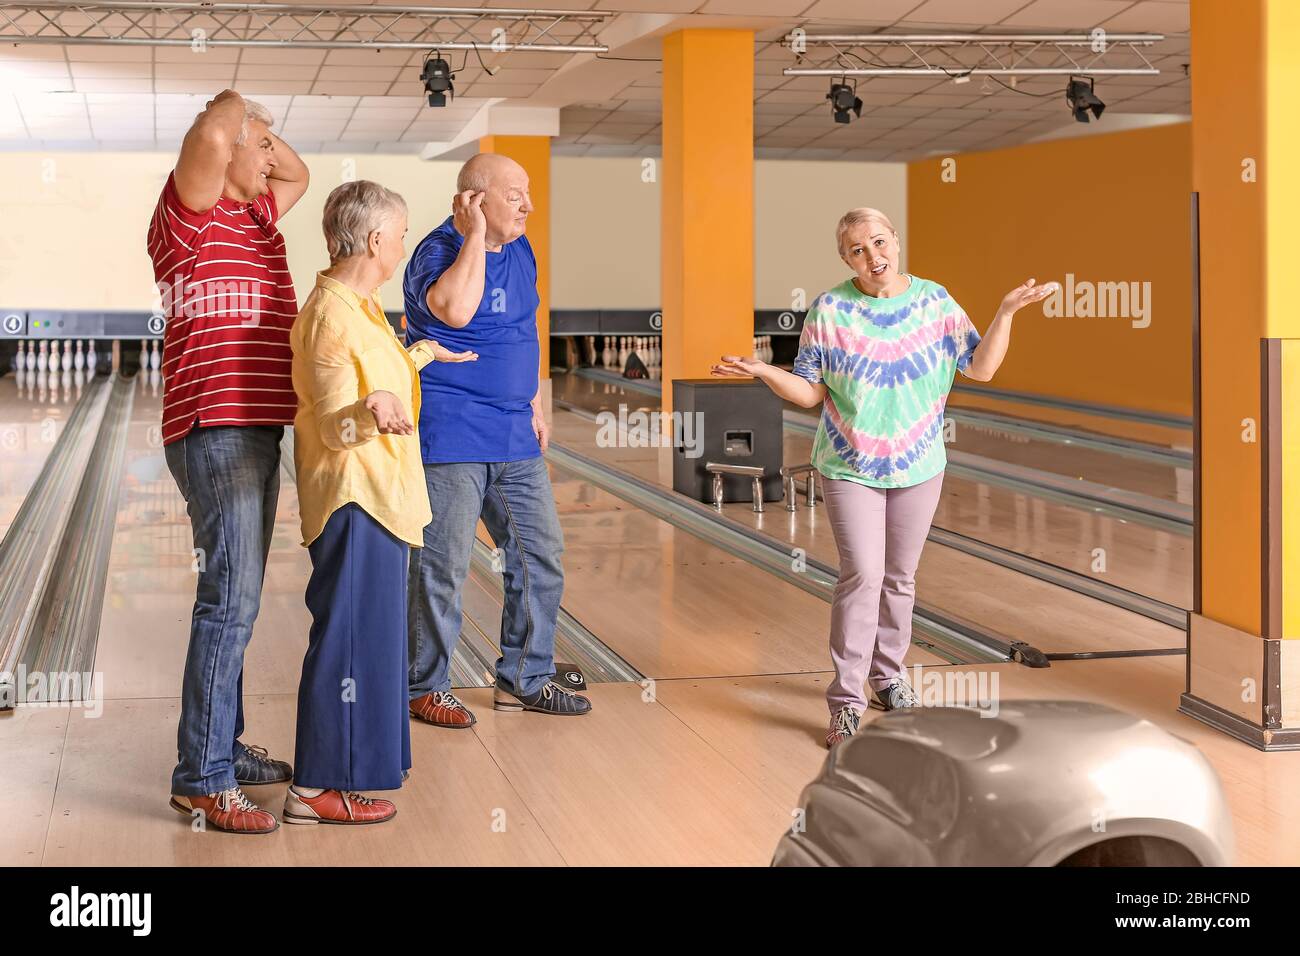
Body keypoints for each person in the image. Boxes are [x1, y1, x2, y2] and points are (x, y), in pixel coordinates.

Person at [712, 207, 1054, 748]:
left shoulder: (936, 301)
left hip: (920, 465)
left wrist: (1007, 312)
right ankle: (847, 701)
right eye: (857, 250)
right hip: (850, 465)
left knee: (900, 578)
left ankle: (887, 678)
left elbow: (981, 367)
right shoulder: (829, 309)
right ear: (845, 258)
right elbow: (810, 392)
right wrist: (764, 371)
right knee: (863, 576)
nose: (872, 256)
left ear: (895, 240)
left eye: (878, 242)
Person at [284, 180, 476, 826]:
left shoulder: (362, 309)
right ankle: (314, 786)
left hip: (385, 500)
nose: (400, 248)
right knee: (345, 644)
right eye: (397, 237)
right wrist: (368, 412)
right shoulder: (328, 318)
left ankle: (348, 776)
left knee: (370, 647)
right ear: (374, 241)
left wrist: (422, 353)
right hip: (354, 502)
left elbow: (380, 382)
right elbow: (333, 425)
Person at [149, 89, 310, 833]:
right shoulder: (191, 216)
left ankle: (224, 745)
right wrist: (243, 110)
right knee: (230, 602)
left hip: (256, 427)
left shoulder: (256, 216)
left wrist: (266, 140)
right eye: (262, 144)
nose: (274, 157)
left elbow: (297, 176)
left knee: (236, 599)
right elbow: (215, 131)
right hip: (215, 424)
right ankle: (204, 777)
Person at [403, 152, 592, 723]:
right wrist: (477, 236)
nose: (529, 205)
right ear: (476, 200)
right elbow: (456, 311)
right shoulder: (436, 252)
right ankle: (424, 684)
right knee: (446, 565)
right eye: (515, 196)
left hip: (514, 433)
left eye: (527, 193)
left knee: (540, 555)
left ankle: (525, 678)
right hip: (453, 432)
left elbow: (525, 324)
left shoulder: (522, 249)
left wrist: (538, 399)